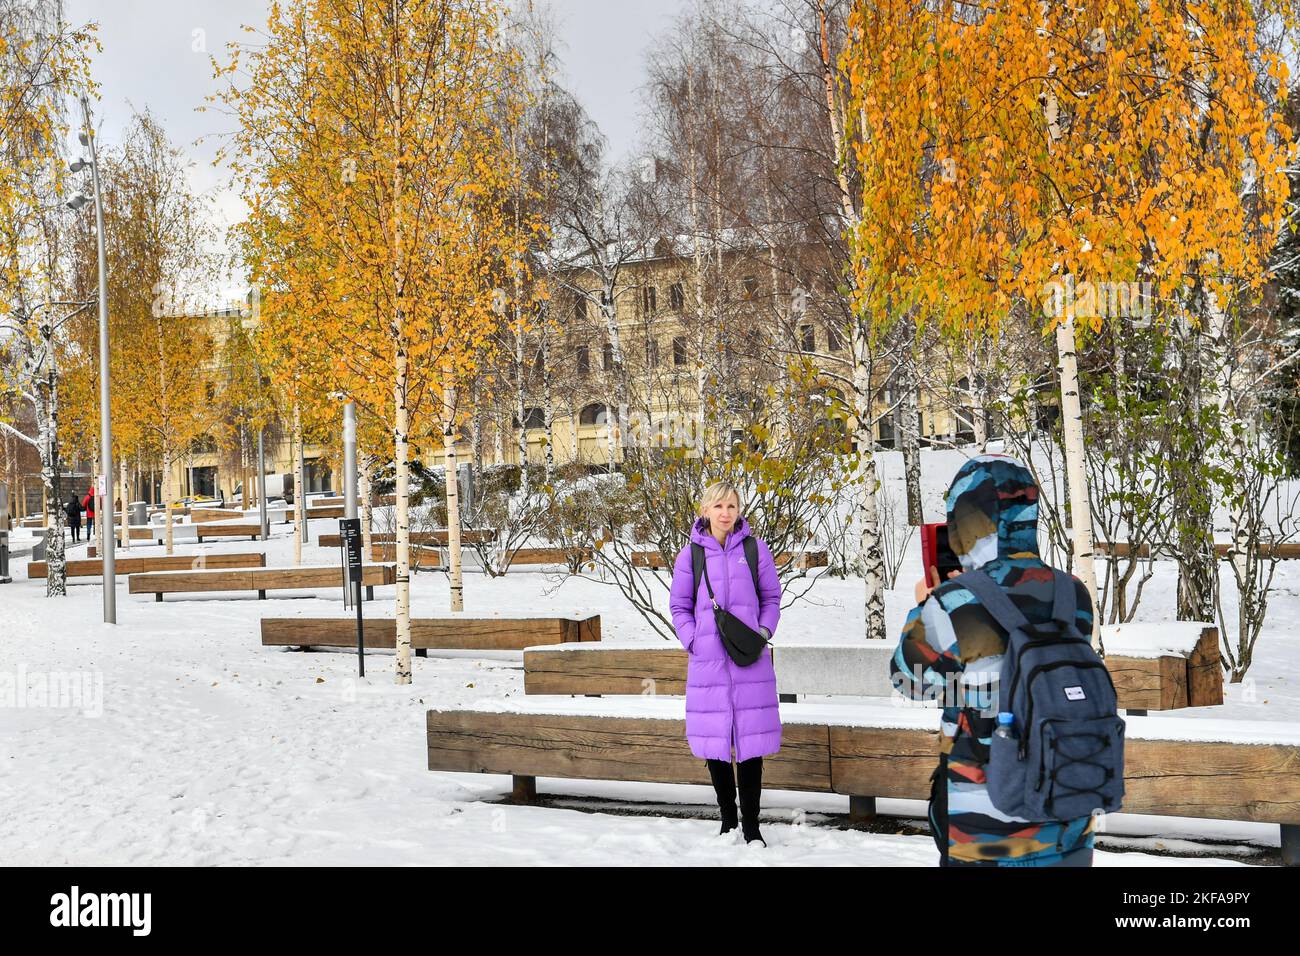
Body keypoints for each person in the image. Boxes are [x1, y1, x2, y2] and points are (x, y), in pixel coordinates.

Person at [891, 454, 1097, 867]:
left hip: (985, 828)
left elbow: (909, 680)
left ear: (966, 521)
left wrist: (925, 607)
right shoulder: (1071, 592)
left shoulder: (954, 602)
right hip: (1067, 814)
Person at [669, 480, 782, 846]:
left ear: (738, 510)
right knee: (715, 741)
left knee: (750, 743)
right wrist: (693, 639)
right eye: (718, 506)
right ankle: (727, 820)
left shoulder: (755, 549)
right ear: (705, 510)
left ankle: (752, 826)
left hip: (750, 658)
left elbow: (772, 597)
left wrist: (763, 631)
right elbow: (679, 606)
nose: (725, 513)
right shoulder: (690, 556)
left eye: (731, 506)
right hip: (709, 663)